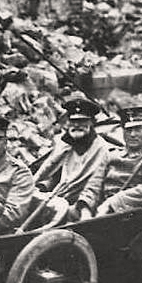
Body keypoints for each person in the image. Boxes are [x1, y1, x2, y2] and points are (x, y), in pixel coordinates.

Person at [77, 105, 142, 218]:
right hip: (100, 212)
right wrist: (85, 210)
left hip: (131, 216)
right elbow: (94, 185)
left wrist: (113, 202)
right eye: (128, 130)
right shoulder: (111, 155)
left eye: (138, 129)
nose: (132, 134)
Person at [33, 92, 110, 222]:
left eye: (82, 121)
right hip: (55, 199)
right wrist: (40, 187)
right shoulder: (65, 145)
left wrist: (83, 209)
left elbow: (95, 185)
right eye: (73, 121)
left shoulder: (101, 149)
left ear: (92, 122)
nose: (76, 125)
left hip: (81, 205)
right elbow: (52, 172)